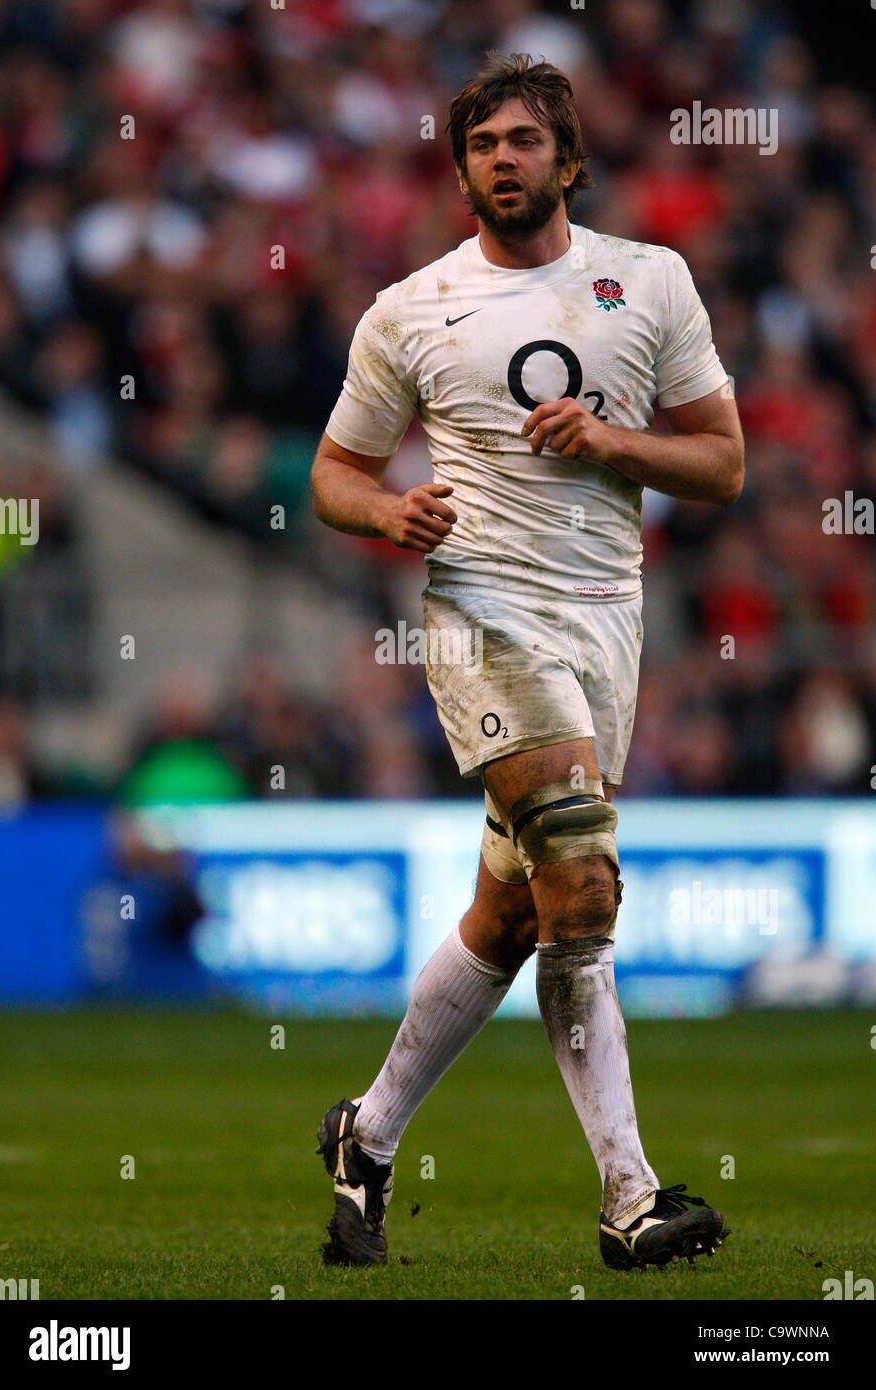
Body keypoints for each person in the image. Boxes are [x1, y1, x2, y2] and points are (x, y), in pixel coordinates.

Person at [310, 52, 743, 1271]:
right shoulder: (411, 306)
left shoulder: (648, 281)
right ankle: (631, 1196)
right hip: (484, 617)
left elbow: (723, 462)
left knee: (511, 912)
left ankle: (367, 1133)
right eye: (482, 144)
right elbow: (333, 474)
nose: (503, 158)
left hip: (608, 622)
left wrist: (613, 439)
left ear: (567, 157)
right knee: (584, 883)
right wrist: (389, 512)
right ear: (459, 171)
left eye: (522, 140)